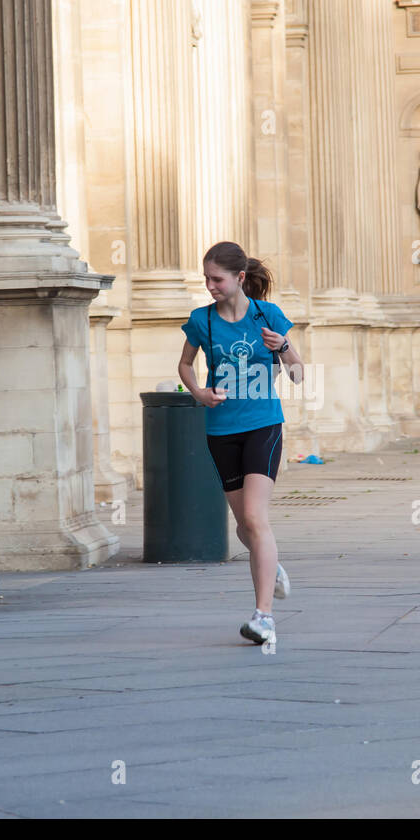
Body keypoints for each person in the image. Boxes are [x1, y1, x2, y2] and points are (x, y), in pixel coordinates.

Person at [177, 242, 305, 647]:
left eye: (217, 279)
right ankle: (273, 566)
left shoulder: (269, 315)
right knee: (245, 527)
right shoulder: (202, 321)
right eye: (207, 279)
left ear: (240, 278)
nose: (210, 286)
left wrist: (282, 348)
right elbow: (184, 363)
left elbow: (300, 375)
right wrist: (199, 392)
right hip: (220, 430)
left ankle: (263, 616)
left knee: (255, 516)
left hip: (263, 425)